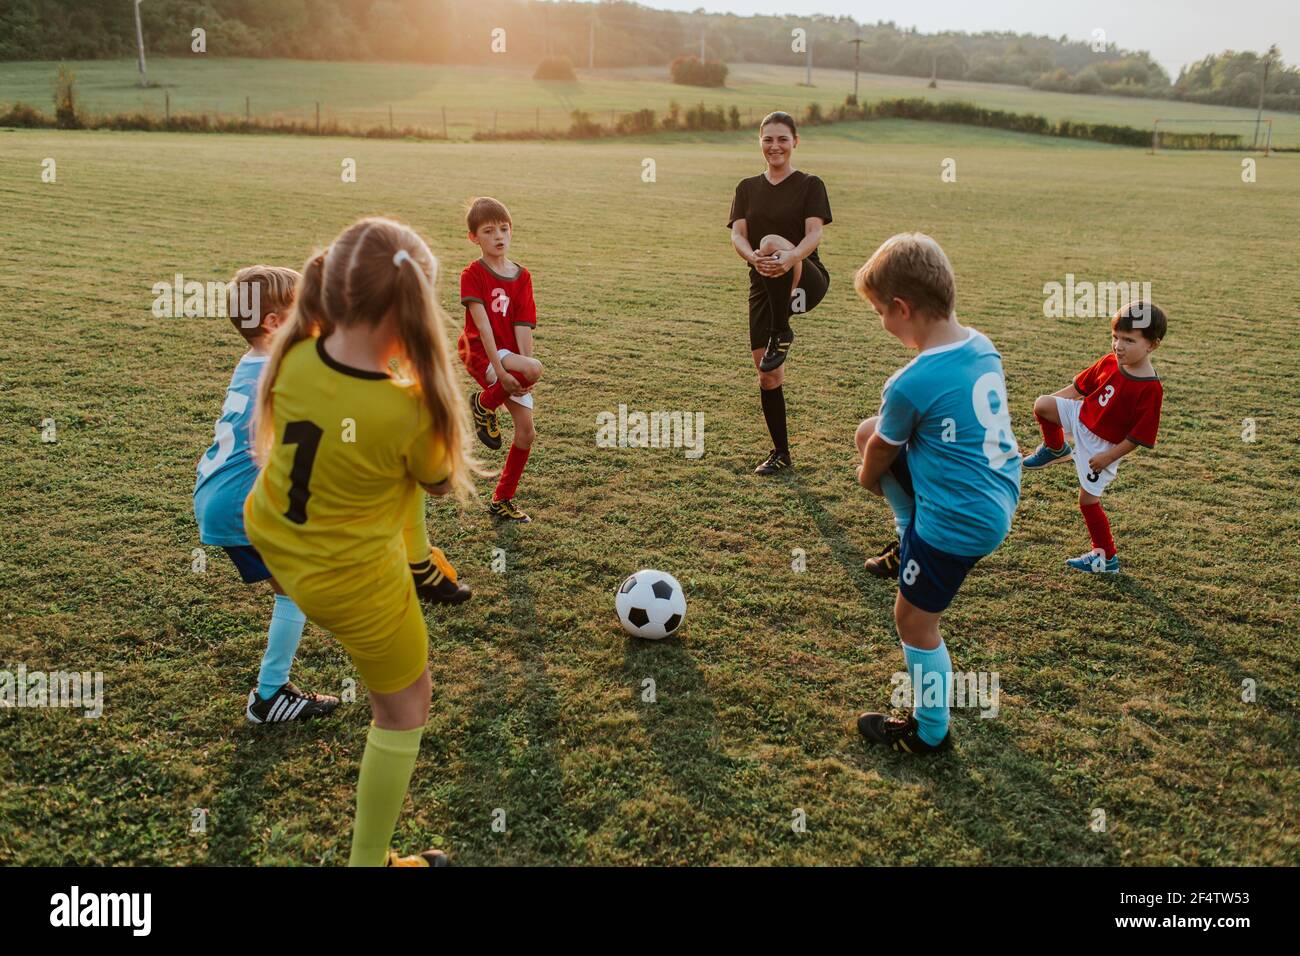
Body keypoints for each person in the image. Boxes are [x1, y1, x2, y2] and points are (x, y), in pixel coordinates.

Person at [245, 217, 476, 865]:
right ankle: (369, 863)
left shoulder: (290, 353)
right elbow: (430, 480)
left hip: (275, 542)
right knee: (405, 705)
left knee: (384, 484)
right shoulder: (410, 410)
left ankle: (420, 563)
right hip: (349, 583)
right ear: (415, 310)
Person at [852, 233, 1020, 755]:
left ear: (902, 308)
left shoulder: (911, 380)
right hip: (997, 490)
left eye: (881, 310)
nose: (882, 321)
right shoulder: (979, 343)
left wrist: (865, 478)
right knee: (865, 429)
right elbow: (882, 433)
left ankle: (929, 731)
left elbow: (882, 452)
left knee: (913, 620)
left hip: (961, 520)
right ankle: (908, 539)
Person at [1022, 302, 1166, 573]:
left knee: (1087, 502)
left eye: (1128, 340)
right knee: (1042, 404)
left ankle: (1105, 557)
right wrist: (1054, 405)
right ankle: (1056, 449)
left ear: (1152, 345)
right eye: (1115, 337)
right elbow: (1079, 388)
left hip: (1102, 446)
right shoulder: (1110, 361)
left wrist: (1108, 457)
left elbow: (1138, 436)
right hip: (1081, 416)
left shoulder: (1150, 389)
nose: (1118, 346)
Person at [727, 111, 832, 475]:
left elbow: (814, 233)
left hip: (805, 280)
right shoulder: (746, 188)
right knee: (767, 374)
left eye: (782, 139)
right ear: (760, 143)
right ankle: (781, 454)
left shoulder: (810, 184)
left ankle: (782, 331)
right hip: (762, 286)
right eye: (768, 139)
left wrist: (789, 256)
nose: (775, 146)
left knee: (771, 241)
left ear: (795, 142)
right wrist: (754, 258)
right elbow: (738, 234)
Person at [459, 197, 544, 522]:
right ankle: (483, 403)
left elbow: (523, 327)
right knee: (533, 368)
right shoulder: (472, 274)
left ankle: (502, 499)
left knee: (526, 432)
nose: (499, 236)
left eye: (504, 229)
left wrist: (523, 378)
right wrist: (502, 370)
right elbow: (482, 326)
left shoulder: (522, 277)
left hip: (510, 356)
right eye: (489, 230)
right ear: (474, 237)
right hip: (480, 352)